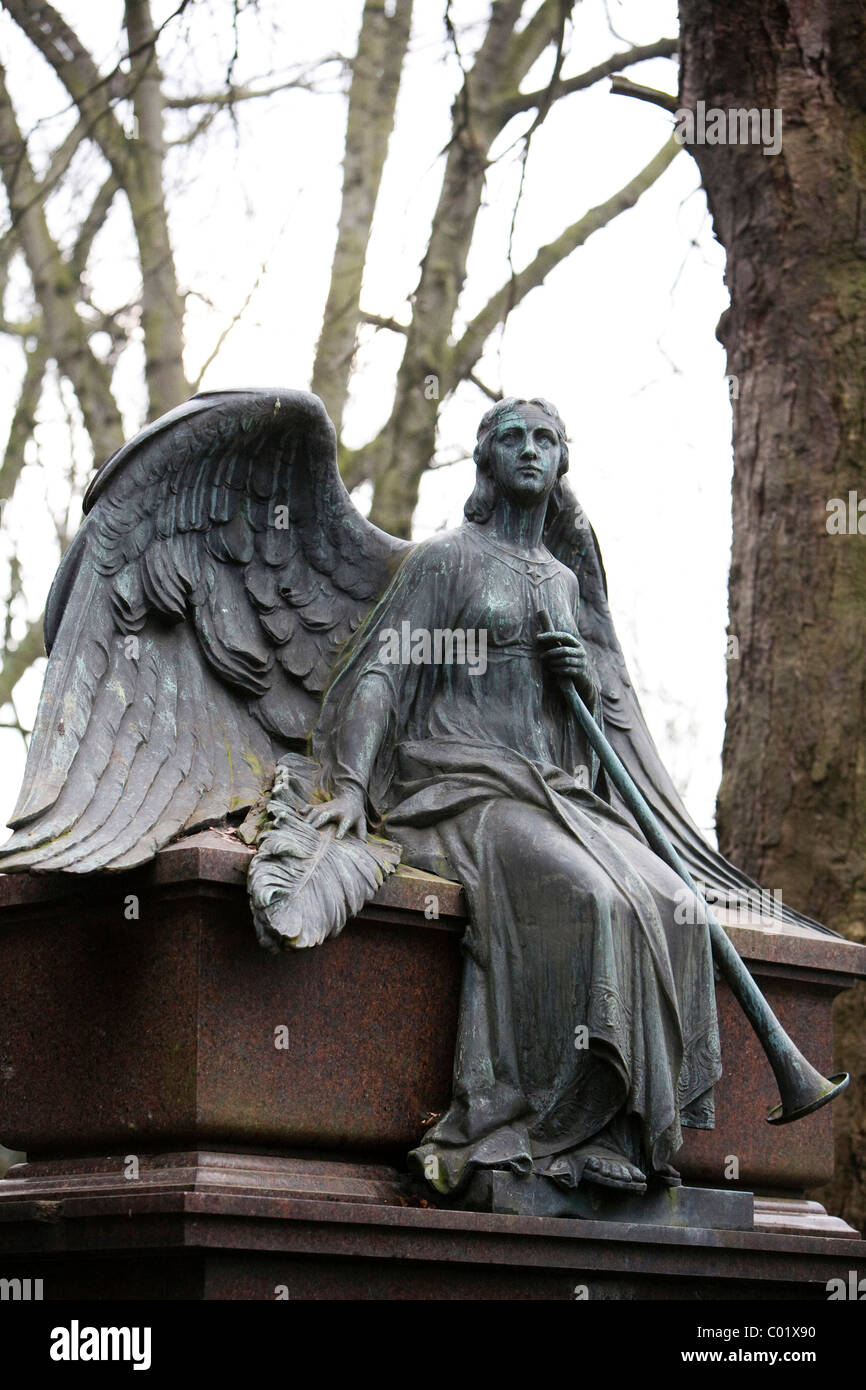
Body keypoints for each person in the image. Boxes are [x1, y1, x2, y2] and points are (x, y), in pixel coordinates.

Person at [306, 397, 722, 1200]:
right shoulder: (446, 561)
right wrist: (353, 787)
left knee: (676, 902)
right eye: (512, 439)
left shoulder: (565, 583)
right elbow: (384, 677)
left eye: (546, 440)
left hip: (552, 792)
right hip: (459, 785)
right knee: (591, 898)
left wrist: (580, 687)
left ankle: (620, 1131)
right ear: (486, 460)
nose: (529, 451)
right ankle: (534, 1124)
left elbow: (575, 740)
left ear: (563, 461)